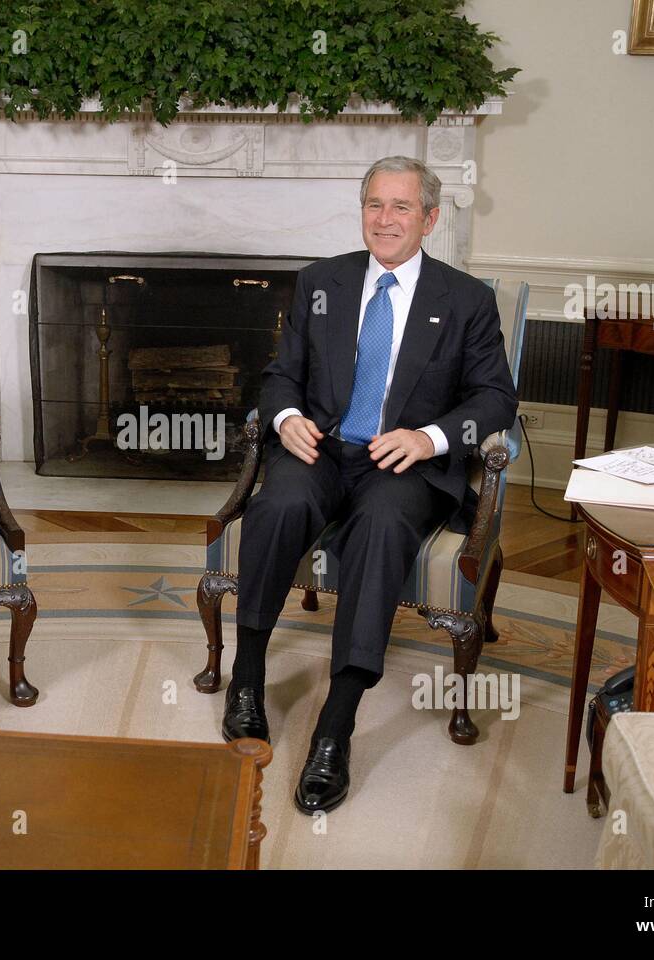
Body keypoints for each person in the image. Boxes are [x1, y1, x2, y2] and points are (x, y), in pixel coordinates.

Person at [226, 156, 519, 814]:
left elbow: (496, 399)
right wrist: (287, 416)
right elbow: (279, 374)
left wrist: (429, 438)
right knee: (278, 502)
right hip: (324, 447)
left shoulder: (465, 299)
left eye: (401, 207)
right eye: (374, 205)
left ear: (430, 219)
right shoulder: (320, 282)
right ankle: (246, 678)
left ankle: (337, 723)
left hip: (404, 462)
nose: (385, 219)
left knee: (384, 527)